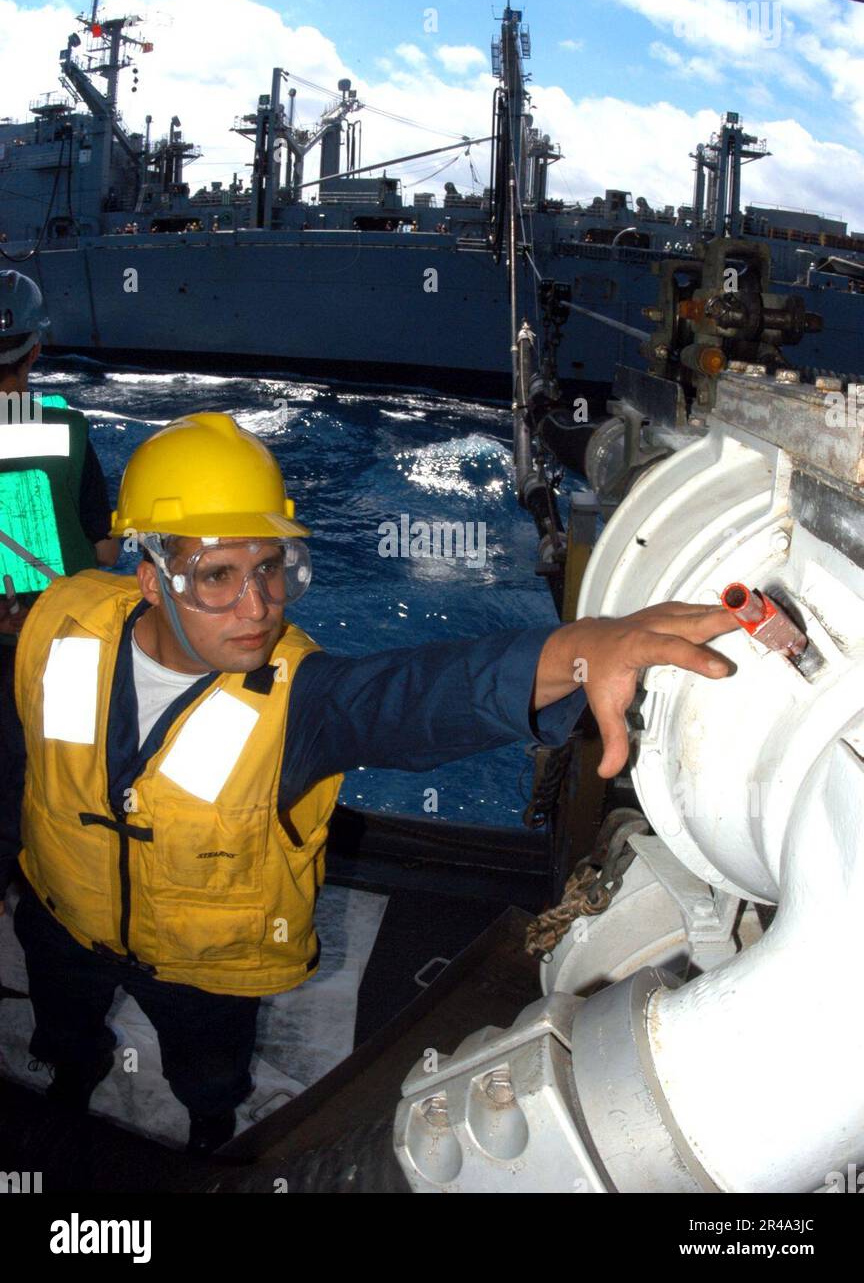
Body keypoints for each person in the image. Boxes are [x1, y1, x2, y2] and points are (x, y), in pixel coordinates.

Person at [8, 411, 736, 1155]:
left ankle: (209, 1140)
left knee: (209, 1078)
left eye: (270, 568)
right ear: (151, 580)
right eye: (217, 576)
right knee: (64, 1034)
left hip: (202, 969)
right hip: (60, 916)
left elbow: (419, 695)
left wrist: (579, 651)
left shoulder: (299, 703)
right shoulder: (59, 619)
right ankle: (71, 1085)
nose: (257, 606)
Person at [0, 270, 119, 917]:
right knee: (66, 774)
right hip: (61, 646)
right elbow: (104, 551)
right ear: (36, 351)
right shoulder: (68, 431)